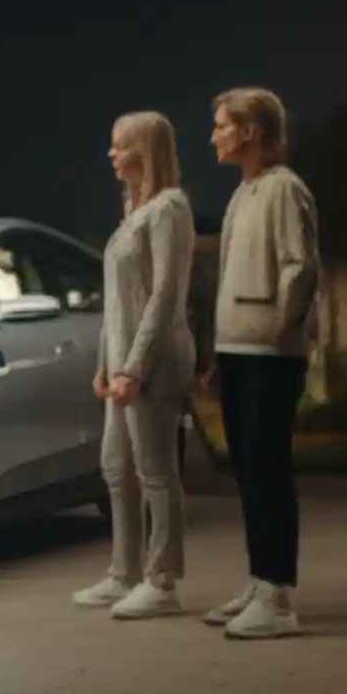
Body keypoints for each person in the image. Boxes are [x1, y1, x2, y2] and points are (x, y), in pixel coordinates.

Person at [200, 87, 319, 640]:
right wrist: (220, 351)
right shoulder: (242, 194)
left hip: (270, 353)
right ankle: (261, 578)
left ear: (250, 130)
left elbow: (300, 267)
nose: (215, 135)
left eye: (223, 125)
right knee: (247, 469)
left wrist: (276, 333)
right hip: (239, 350)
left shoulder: (284, 190)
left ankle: (278, 595)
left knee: (268, 469)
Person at [73, 111, 196, 619]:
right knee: (116, 468)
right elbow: (118, 301)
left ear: (146, 150)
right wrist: (107, 364)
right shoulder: (134, 212)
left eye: (120, 145)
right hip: (122, 364)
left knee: (156, 472)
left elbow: (164, 294)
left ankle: (162, 580)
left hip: (152, 364)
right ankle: (123, 571)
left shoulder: (169, 209)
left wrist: (134, 367)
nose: (111, 154)